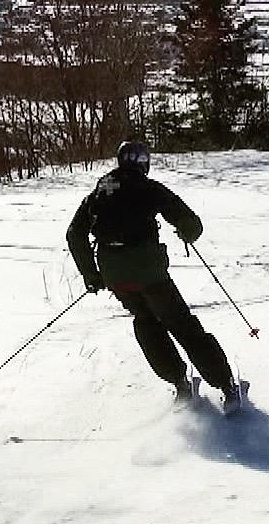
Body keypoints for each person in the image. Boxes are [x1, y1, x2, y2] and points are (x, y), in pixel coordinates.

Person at [66, 140, 244, 412]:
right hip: (149, 274)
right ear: (143, 162)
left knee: (147, 322)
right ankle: (226, 386)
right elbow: (191, 223)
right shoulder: (147, 188)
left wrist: (91, 275)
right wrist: (186, 232)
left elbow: (74, 234)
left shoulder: (100, 190)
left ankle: (179, 383)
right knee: (182, 324)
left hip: (116, 277)